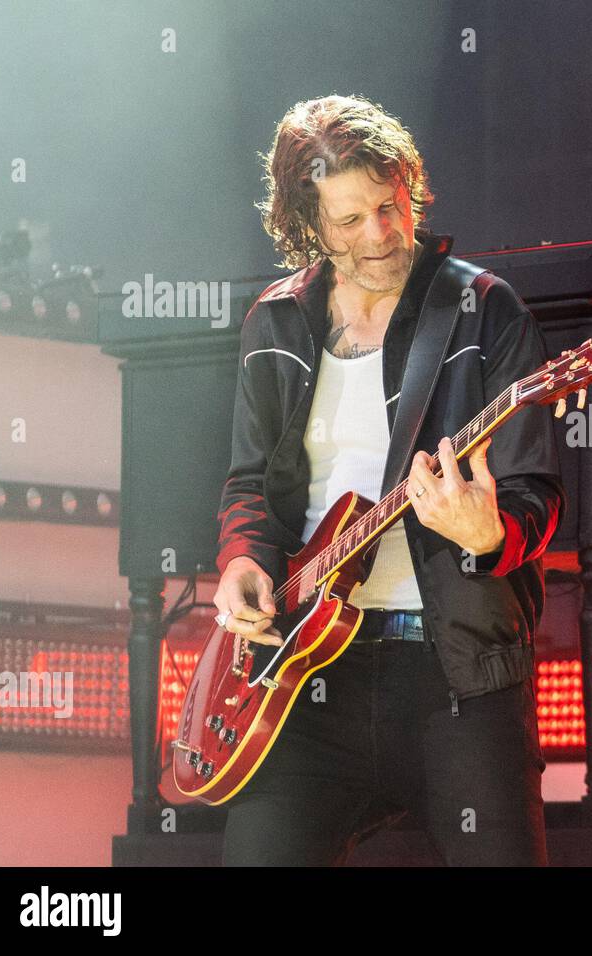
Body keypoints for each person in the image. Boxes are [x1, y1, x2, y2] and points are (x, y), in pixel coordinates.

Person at [211, 94, 563, 866]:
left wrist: (491, 533)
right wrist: (241, 560)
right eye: (349, 221)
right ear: (308, 226)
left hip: (456, 670)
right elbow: (248, 483)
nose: (381, 235)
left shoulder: (481, 310)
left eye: (390, 206)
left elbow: (536, 496)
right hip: (304, 676)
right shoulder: (274, 319)